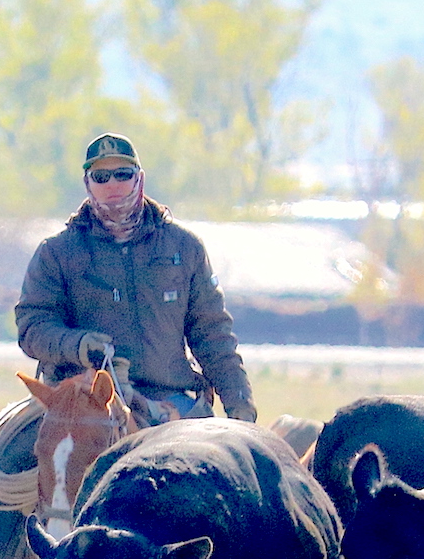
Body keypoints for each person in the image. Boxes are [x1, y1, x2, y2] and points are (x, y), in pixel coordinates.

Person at [15, 133, 257, 423]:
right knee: (10, 461)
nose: (112, 185)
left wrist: (239, 403)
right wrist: (78, 345)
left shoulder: (183, 246)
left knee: (229, 464)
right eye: (101, 177)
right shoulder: (57, 253)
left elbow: (212, 334)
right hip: (86, 403)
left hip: (172, 400)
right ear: (87, 184)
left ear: (139, 179)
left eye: (122, 174)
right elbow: (32, 328)